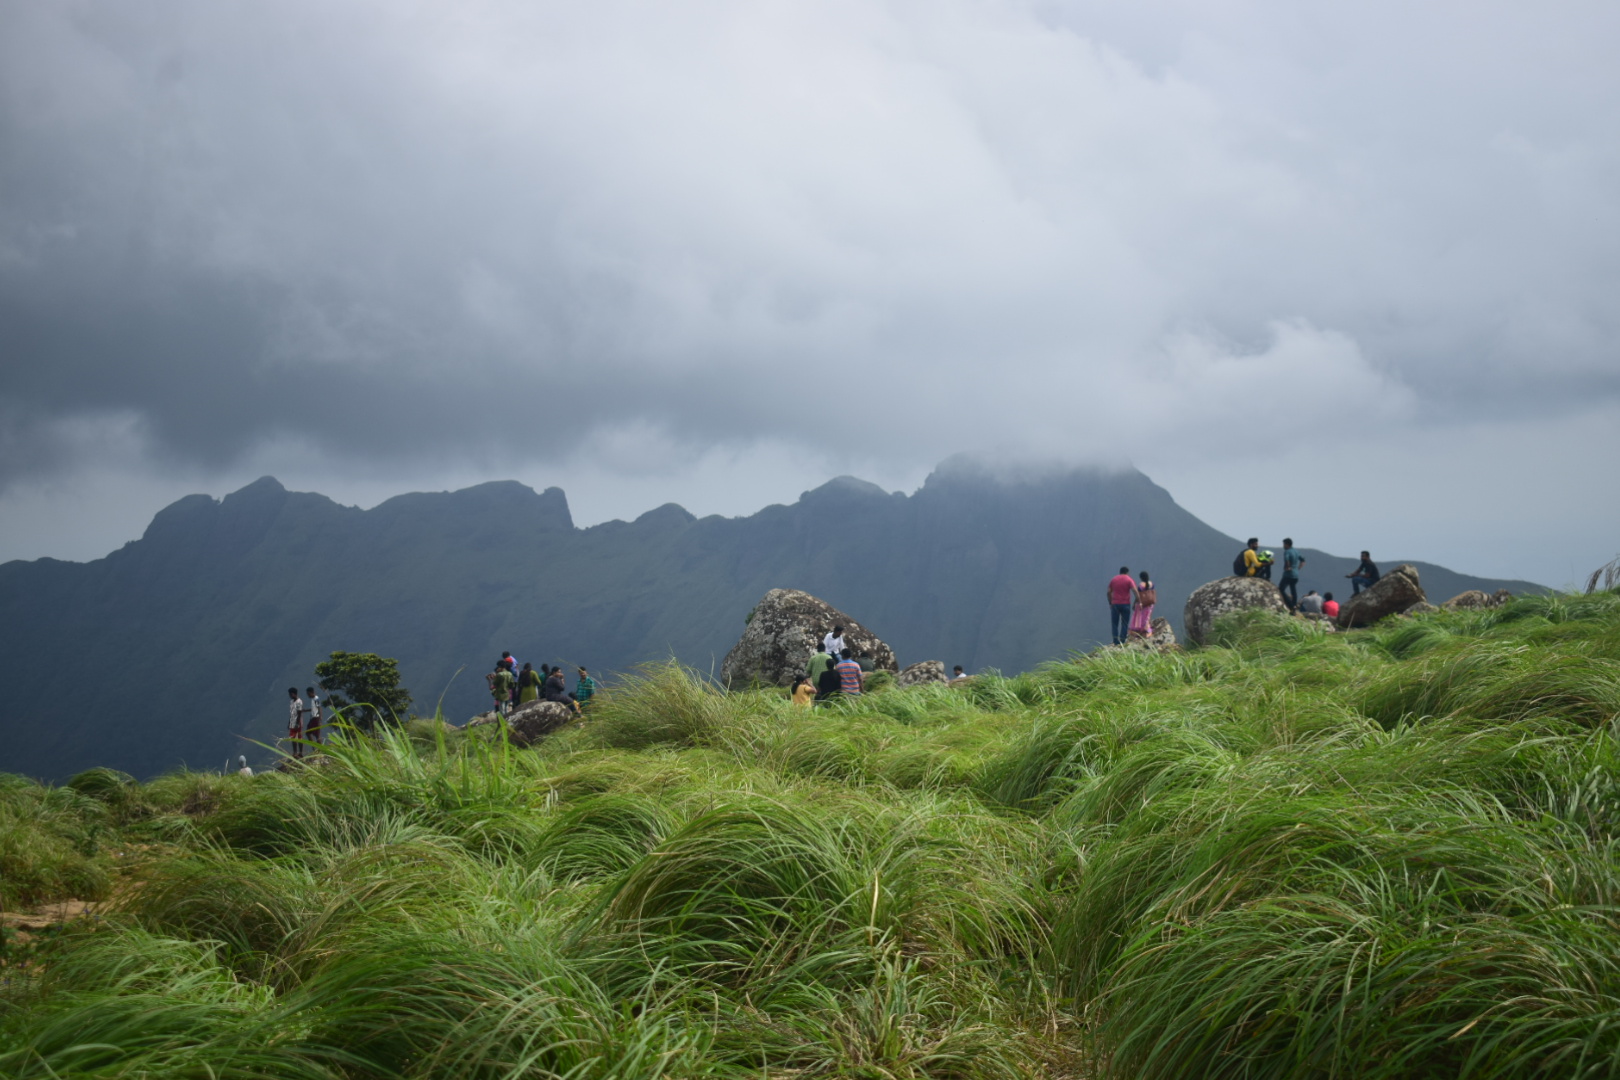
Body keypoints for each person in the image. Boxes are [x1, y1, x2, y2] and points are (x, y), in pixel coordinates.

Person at [1107, 566, 1137, 645]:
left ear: (1120, 572)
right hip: (1126, 604)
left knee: (1115, 624)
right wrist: (1137, 601)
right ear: (1127, 572)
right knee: (1124, 623)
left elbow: (1108, 592)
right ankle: (1123, 640)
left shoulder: (1114, 579)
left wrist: (1110, 602)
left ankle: (1116, 641)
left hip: (1115, 604)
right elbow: (1135, 590)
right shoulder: (1129, 579)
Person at [1279, 538, 1305, 611]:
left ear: (1287, 544)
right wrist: (1298, 567)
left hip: (1288, 574)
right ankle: (1294, 605)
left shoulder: (1287, 551)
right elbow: (1303, 560)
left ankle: (1290, 605)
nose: (1283, 546)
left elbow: (1287, 560)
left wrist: (1288, 567)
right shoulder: (1296, 551)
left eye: (1284, 544)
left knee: (1281, 589)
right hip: (1295, 574)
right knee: (1293, 589)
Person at [1129, 570, 1156, 638]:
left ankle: (1141, 631)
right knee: (1147, 617)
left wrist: (1134, 604)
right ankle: (1147, 630)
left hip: (1142, 604)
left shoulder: (1141, 585)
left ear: (1141, 578)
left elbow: (1138, 596)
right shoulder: (1151, 584)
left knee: (1140, 617)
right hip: (1150, 603)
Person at [286, 687, 304, 760]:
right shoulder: (292, 702)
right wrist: (289, 722)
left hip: (297, 722)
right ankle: (295, 752)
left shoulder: (299, 702)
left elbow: (299, 713)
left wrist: (297, 723)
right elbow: (291, 713)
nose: (289, 696)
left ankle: (300, 752)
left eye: (290, 694)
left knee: (299, 737)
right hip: (292, 721)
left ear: (293, 694)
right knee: (293, 737)